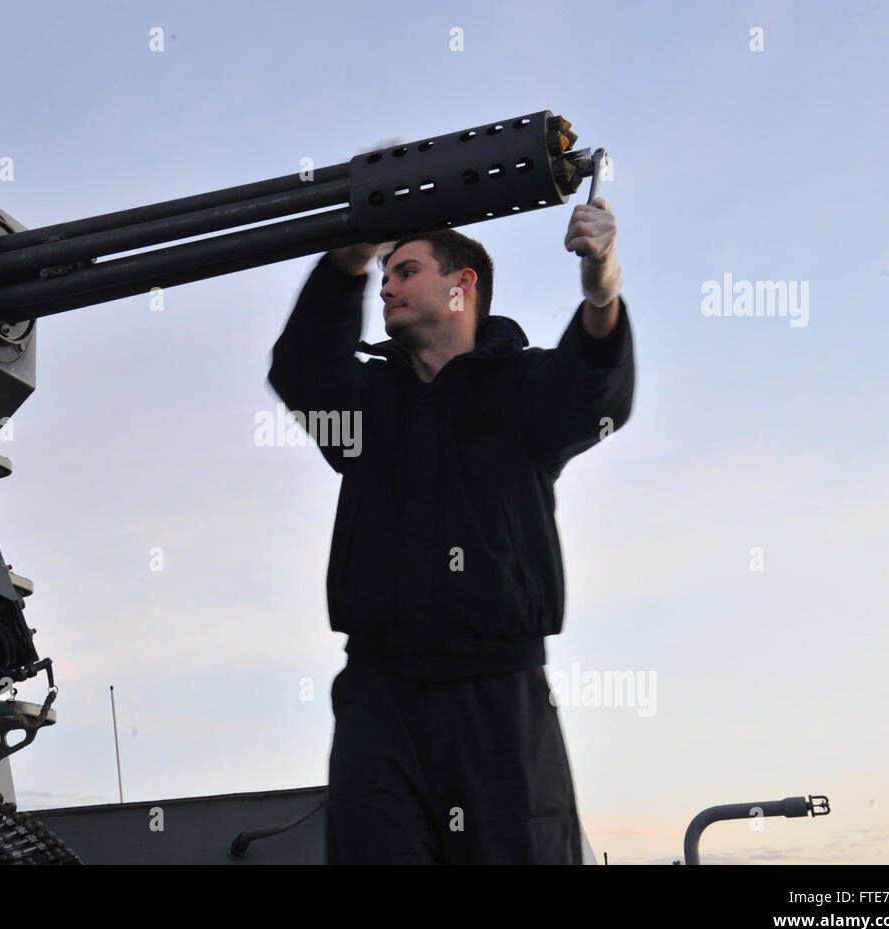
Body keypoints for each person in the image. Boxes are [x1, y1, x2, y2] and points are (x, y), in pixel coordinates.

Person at [267, 197, 634, 864]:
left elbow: (595, 385)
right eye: (381, 275)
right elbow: (301, 369)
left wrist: (602, 281)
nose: (386, 286)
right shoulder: (366, 404)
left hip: (499, 701)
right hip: (380, 700)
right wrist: (351, 252)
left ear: (462, 286)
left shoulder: (523, 389)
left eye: (404, 270)